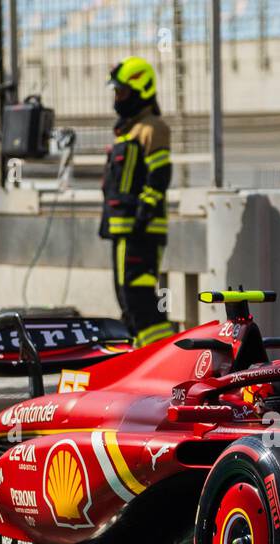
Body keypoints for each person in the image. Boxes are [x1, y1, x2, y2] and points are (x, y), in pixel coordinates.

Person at [100, 56, 174, 348]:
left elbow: (160, 173)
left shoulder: (153, 127)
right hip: (122, 230)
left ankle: (165, 358)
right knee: (127, 299)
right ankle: (139, 359)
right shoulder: (129, 130)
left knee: (140, 301)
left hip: (141, 231)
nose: (117, 99)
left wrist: (144, 211)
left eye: (122, 92)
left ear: (141, 90)